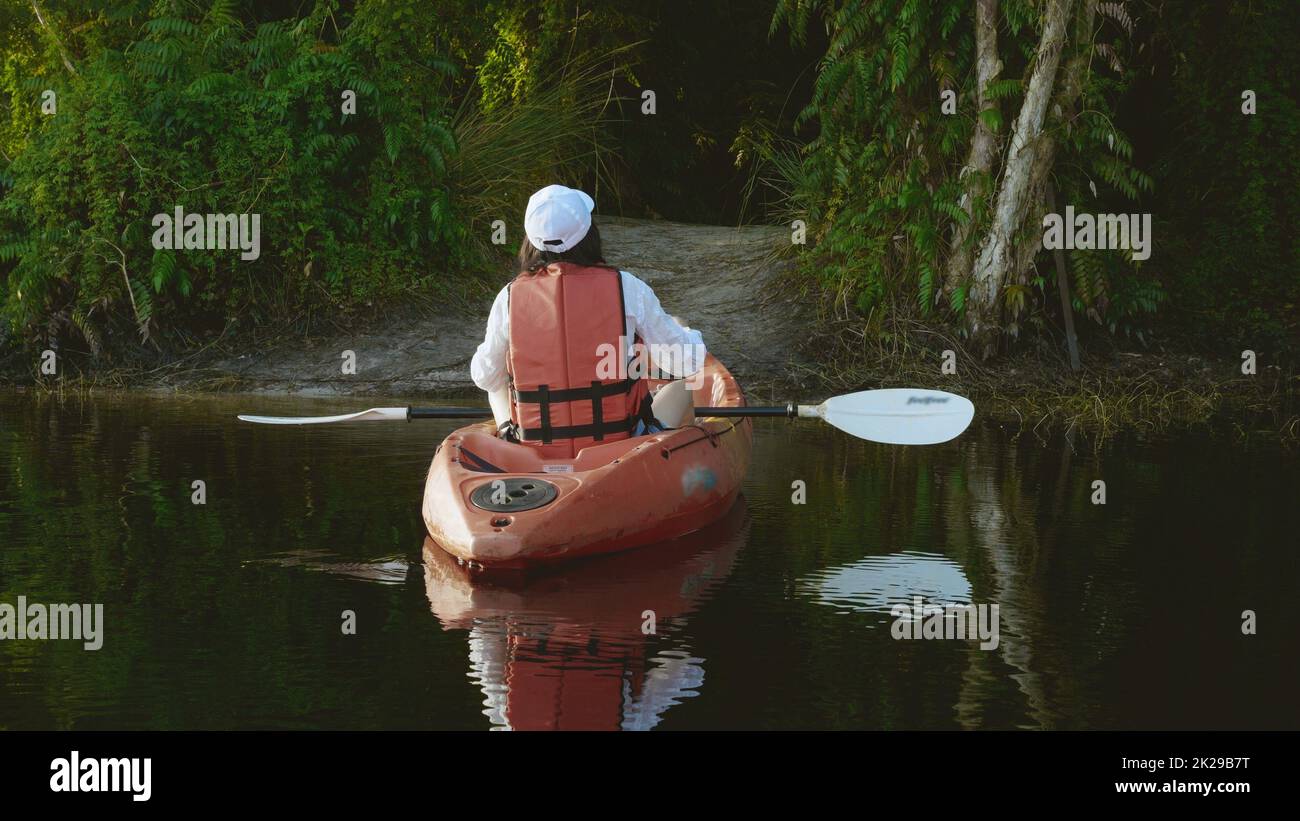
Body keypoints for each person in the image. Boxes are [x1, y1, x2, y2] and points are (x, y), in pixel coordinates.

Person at [470, 185, 704, 458]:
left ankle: (510, 437)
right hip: (621, 446)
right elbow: (687, 362)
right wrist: (687, 331)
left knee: (494, 377)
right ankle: (675, 457)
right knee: (689, 381)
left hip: (536, 449)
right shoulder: (627, 287)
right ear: (589, 233)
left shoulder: (510, 296)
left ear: (531, 241)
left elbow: (484, 376)